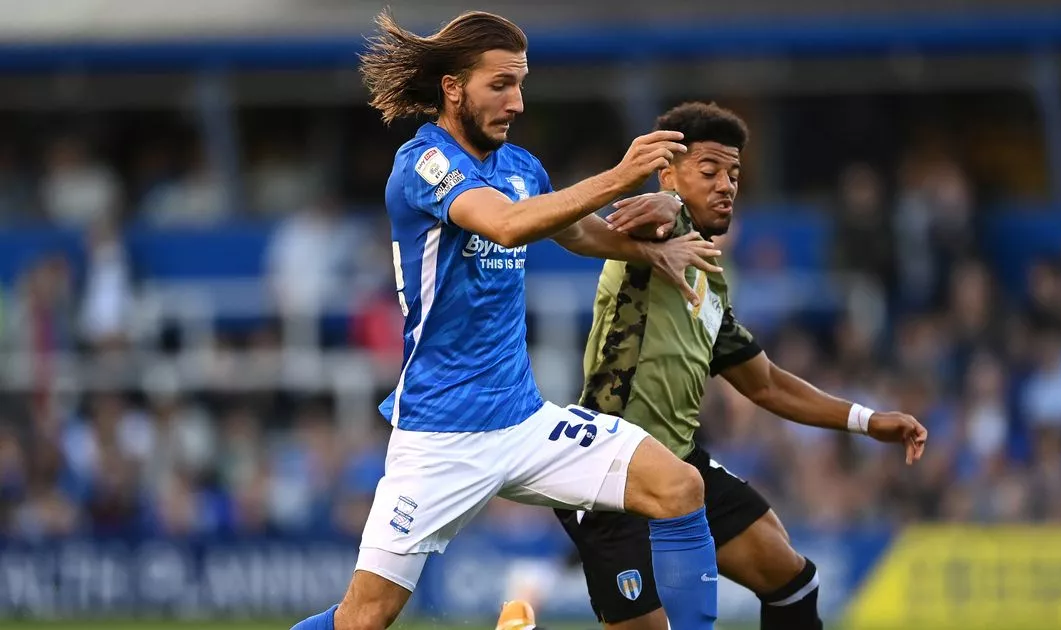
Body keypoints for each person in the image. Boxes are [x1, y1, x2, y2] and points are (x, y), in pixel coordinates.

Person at [290, 12, 725, 630]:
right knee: (363, 619)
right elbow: (507, 224)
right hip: (441, 436)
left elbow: (570, 230)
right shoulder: (422, 166)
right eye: (500, 85)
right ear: (452, 88)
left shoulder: (519, 166)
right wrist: (621, 176)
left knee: (679, 487)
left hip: (525, 422)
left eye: (521, 84)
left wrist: (651, 250)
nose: (516, 101)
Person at [549, 102, 929, 630]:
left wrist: (866, 420)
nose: (726, 185)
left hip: (679, 464)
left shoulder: (710, 284)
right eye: (708, 171)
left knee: (791, 577)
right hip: (609, 468)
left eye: (733, 174)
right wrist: (661, 201)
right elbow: (639, 218)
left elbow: (766, 383)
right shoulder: (657, 229)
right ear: (668, 172)